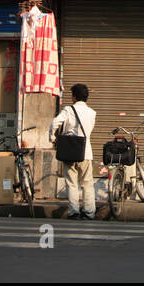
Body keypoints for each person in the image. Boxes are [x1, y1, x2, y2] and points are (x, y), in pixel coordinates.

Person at [49, 83, 96, 219]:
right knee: (87, 183)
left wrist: (52, 137)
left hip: (69, 151)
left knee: (71, 182)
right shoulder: (92, 113)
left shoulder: (68, 110)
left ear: (74, 97)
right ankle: (89, 212)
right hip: (85, 151)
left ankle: (74, 211)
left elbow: (54, 123)